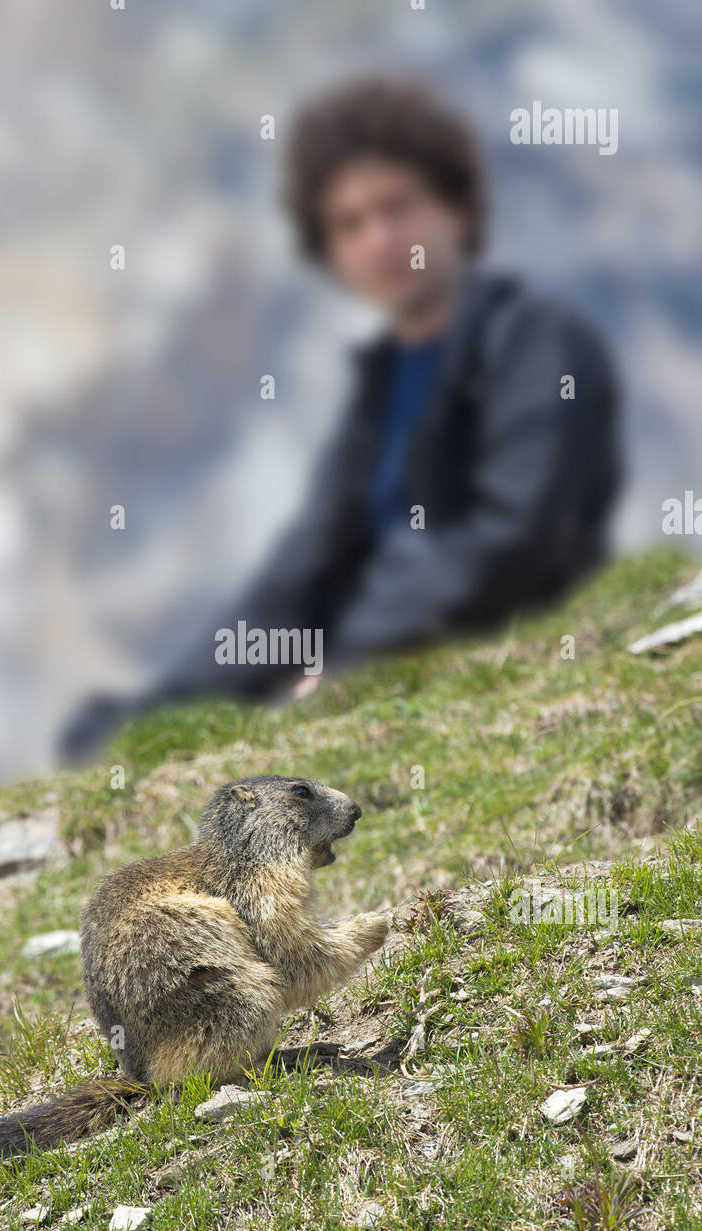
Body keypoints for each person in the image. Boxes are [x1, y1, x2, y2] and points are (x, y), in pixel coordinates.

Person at [62, 75, 621, 756]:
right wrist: (153, 718)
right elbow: (296, 582)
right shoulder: (379, 386)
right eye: (349, 225)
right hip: (383, 677)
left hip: (509, 678)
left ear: (458, 213)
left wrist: (350, 664)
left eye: (397, 207)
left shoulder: (534, 341)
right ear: (328, 254)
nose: (377, 238)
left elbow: (512, 539)